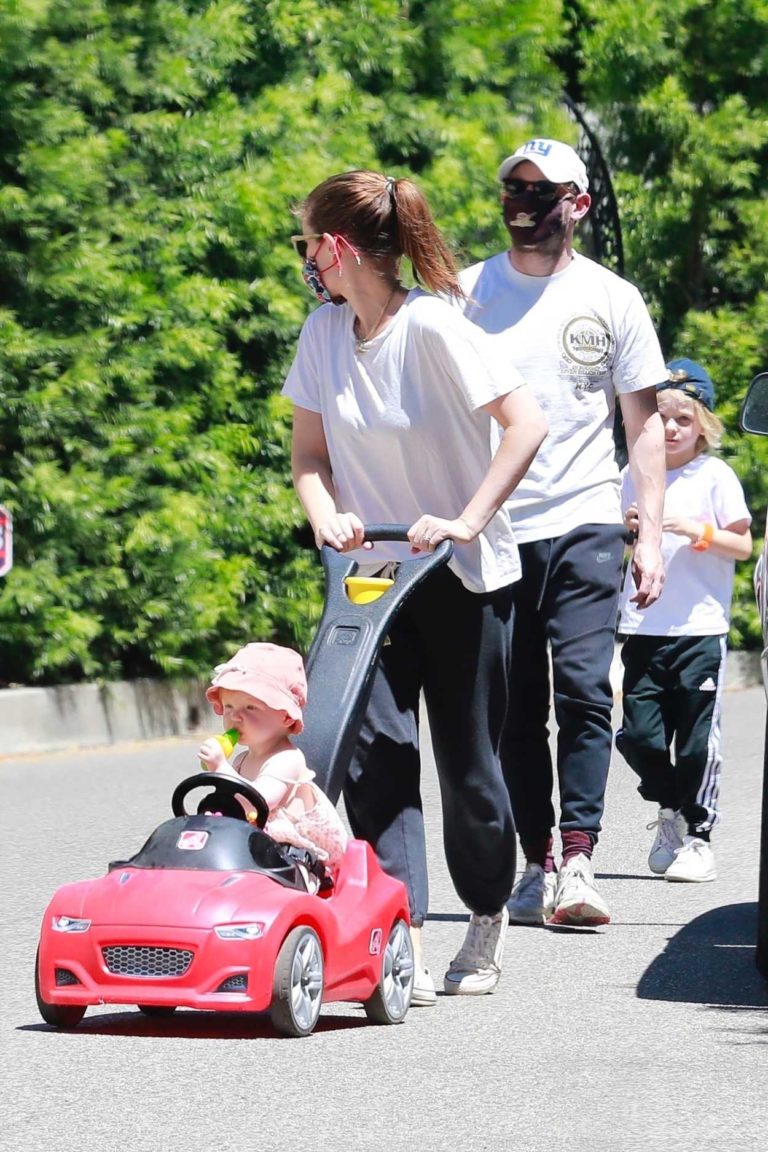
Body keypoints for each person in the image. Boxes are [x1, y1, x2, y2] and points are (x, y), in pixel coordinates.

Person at [281, 169, 548, 1003]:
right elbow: (309, 458)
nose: (304, 261)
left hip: (462, 576)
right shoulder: (323, 335)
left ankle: (486, 913)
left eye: (306, 244)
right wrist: (327, 516)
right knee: (376, 759)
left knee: (469, 766)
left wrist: (467, 518)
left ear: (337, 247)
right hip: (372, 575)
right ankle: (406, 936)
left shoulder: (432, 326)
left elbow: (526, 422)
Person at [458, 138, 666, 927]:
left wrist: (650, 535)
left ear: (577, 204)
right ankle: (535, 857)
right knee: (515, 707)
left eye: (541, 192)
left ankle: (578, 858)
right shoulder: (466, 293)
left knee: (583, 688)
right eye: (513, 189)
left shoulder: (612, 297)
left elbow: (642, 424)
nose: (523, 204)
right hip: (496, 525)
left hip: (585, 516)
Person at [616, 359, 752, 882]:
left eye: (684, 419)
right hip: (642, 626)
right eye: (663, 418)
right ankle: (670, 809)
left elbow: (742, 545)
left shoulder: (715, 475)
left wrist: (695, 529)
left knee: (697, 744)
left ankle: (698, 836)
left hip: (700, 629)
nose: (671, 429)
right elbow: (614, 543)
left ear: (703, 425)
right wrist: (630, 528)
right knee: (639, 737)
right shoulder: (631, 475)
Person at [199, 642, 349, 887]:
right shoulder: (241, 760)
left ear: (286, 716)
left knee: (264, 884)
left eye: (251, 707)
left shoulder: (287, 759)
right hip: (251, 850)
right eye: (229, 706)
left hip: (294, 859)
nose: (235, 716)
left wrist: (220, 768)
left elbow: (259, 801)